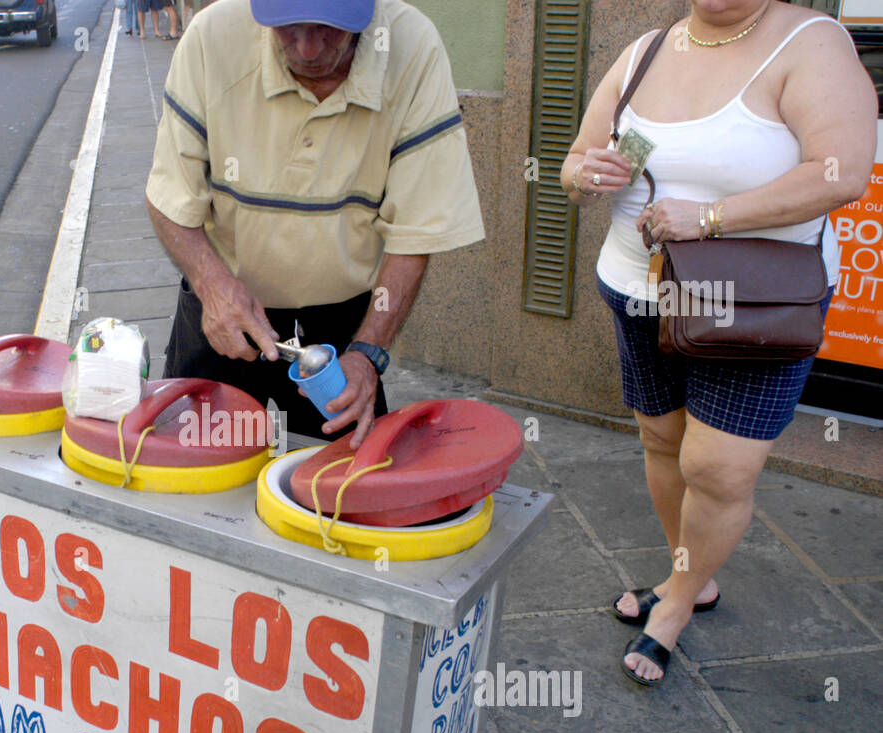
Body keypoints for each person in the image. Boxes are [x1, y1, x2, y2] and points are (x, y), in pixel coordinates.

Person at [562, 0, 874, 686]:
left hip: (753, 302)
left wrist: (709, 218)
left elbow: (842, 173)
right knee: (662, 439)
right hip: (640, 289)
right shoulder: (647, 48)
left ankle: (674, 604)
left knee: (719, 468)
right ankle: (689, 573)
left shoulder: (811, 42)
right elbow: (576, 160)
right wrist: (587, 176)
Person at [145, 0, 484, 445]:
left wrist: (367, 353)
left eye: (329, 28)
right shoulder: (212, 37)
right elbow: (170, 196)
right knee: (192, 473)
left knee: (337, 485)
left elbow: (415, 232)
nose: (306, 49)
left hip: (339, 331)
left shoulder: (413, 46)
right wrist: (211, 285)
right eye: (286, 26)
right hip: (222, 306)